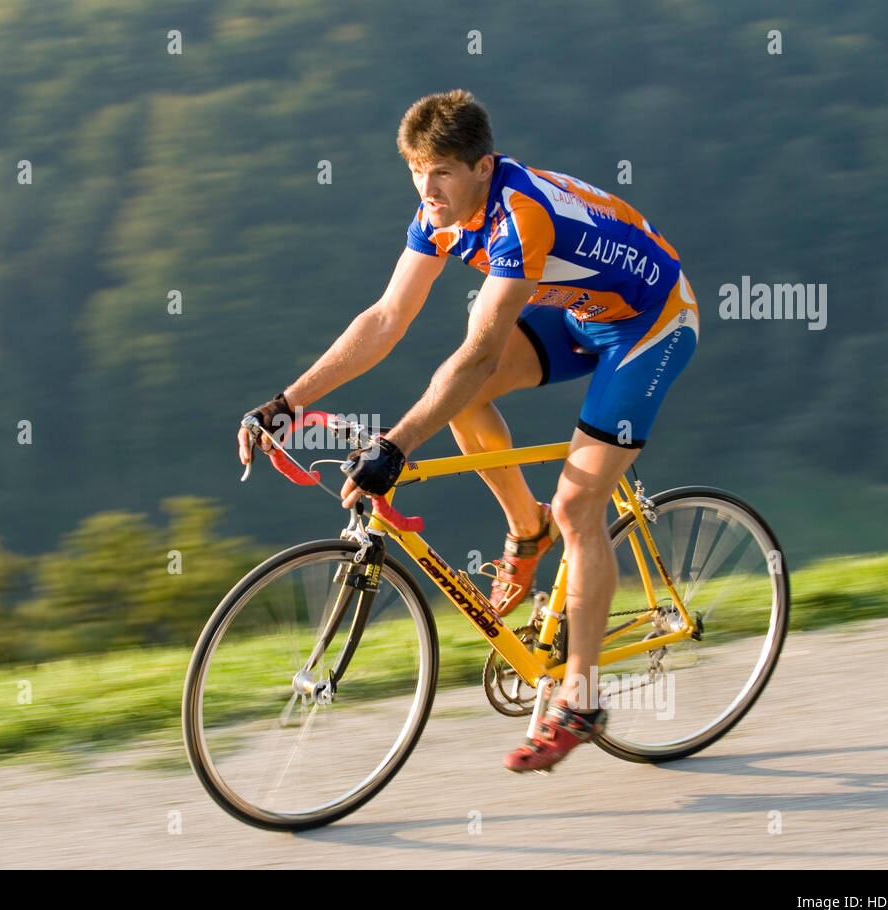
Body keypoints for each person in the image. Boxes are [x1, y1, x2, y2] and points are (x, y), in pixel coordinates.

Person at [237, 89, 699, 773]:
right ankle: (525, 527)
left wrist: (395, 445)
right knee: (456, 397)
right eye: (417, 170)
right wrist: (285, 401)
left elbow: (481, 352)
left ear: (484, 166)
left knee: (578, 504)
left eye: (443, 171)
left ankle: (582, 697)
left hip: (651, 325)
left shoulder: (520, 217)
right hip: (577, 312)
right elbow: (386, 319)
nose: (428, 187)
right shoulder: (438, 212)